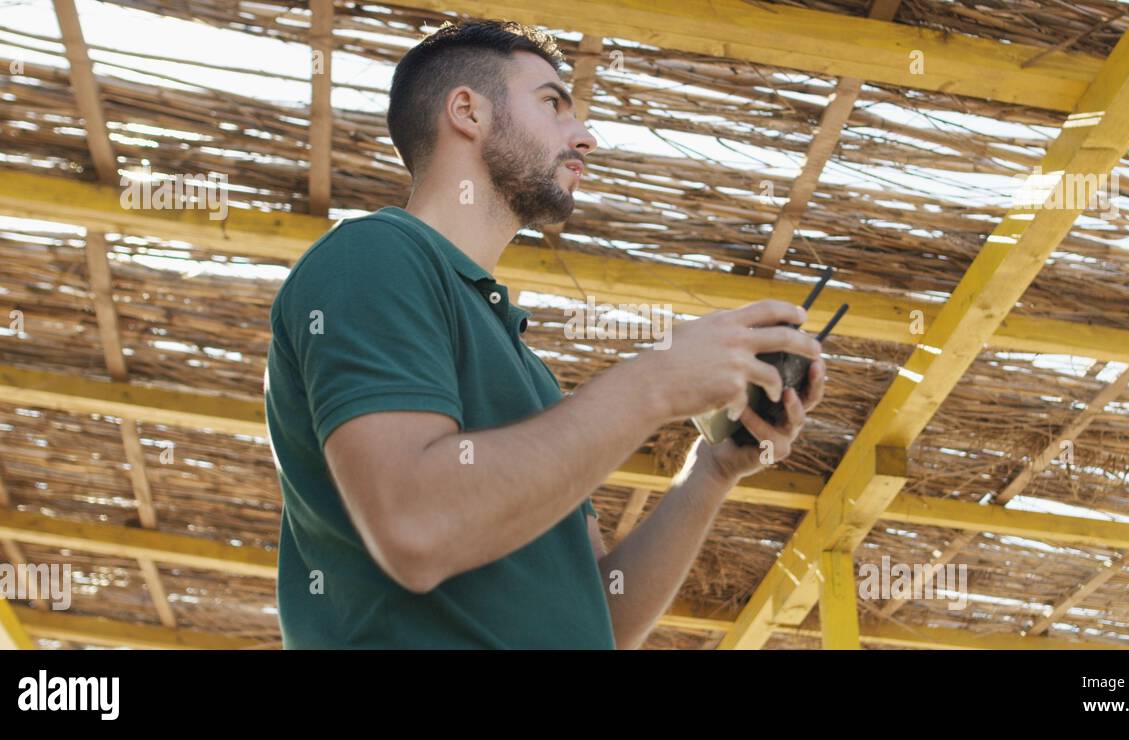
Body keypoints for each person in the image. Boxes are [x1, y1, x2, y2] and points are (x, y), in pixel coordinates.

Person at [264, 19, 825, 648]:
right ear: (467, 112)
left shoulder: (527, 370)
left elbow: (600, 616)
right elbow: (417, 528)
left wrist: (711, 472)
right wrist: (657, 382)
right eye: (553, 103)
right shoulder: (371, 256)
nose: (584, 137)